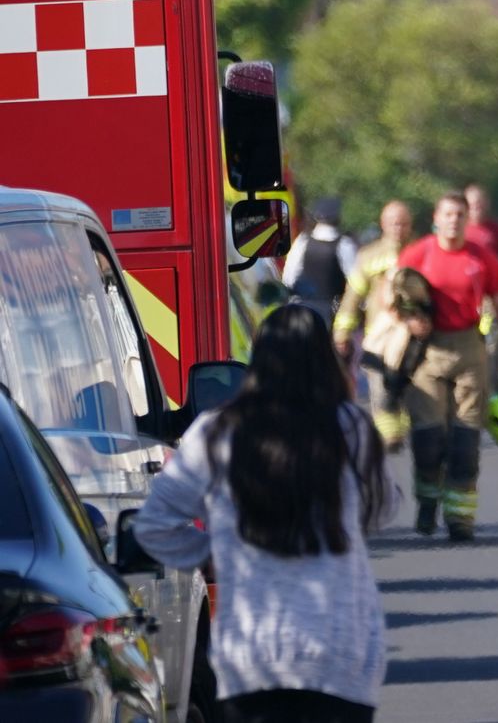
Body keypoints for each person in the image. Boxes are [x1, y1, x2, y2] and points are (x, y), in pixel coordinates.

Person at [134, 305, 399, 723]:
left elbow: (153, 526)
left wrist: (213, 550)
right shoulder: (350, 426)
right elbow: (382, 509)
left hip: (251, 656)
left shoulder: (215, 431)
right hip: (341, 653)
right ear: (324, 360)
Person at [397, 192, 498, 542]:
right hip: (427, 351)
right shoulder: (418, 254)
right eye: (448, 214)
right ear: (436, 218)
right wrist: (409, 321)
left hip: (469, 348)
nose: (454, 220)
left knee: (466, 441)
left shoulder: (481, 258)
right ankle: (427, 501)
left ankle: (459, 518)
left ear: (468, 220)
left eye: (460, 215)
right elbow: (390, 299)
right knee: (428, 437)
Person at [333, 200, 414, 451]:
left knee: (409, 389)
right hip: (379, 337)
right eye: (393, 223)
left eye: (402, 223)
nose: (398, 228)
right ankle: (390, 437)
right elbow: (352, 297)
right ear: (383, 224)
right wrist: (343, 330)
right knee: (381, 388)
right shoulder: (368, 256)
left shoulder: (420, 254)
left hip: (414, 338)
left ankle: (400, 429)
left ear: (409, 225)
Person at [283, 197, 358, 323]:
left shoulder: (303, 241)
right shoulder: (344, 244)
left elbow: (289, 278)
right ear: (338, 218)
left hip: (302, 309)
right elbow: (355, 280)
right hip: (331, 312)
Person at [463, 183, 498, 259]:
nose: (475, 207)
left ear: (486, 203)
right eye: (471, 204)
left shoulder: (496, 229)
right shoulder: (459, 227)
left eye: (479, 203)